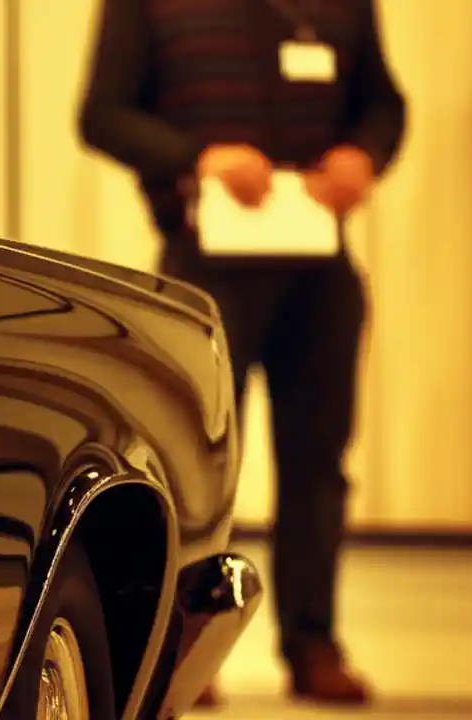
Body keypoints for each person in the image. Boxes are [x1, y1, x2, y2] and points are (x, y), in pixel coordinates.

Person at [77, 0, 405, 707]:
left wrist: (363, 154)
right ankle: (189, 648)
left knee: (319, 461)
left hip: (320, 266)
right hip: (206, 265)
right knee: (194, 466)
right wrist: (198, 158)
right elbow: (101, 115)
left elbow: (384, 105)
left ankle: (313, 642)